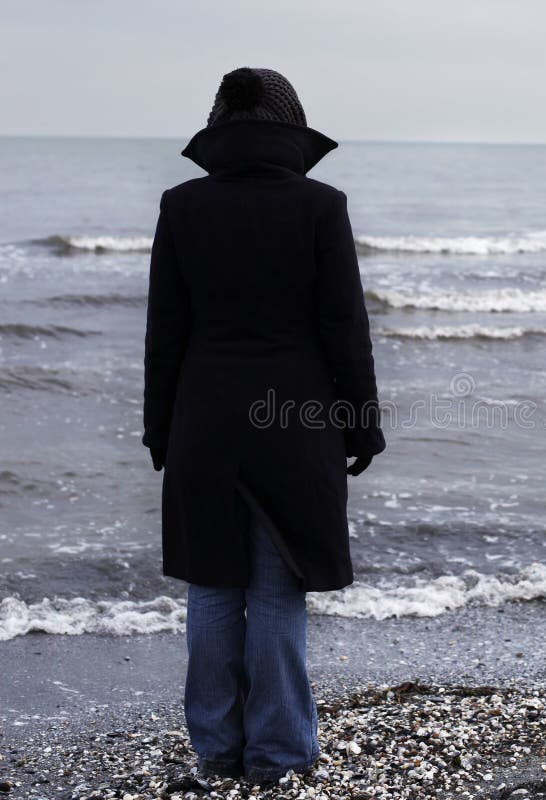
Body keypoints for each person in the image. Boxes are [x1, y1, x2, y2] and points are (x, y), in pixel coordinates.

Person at [141, 66, 385, 786]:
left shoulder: (181, 207)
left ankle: (217, 750)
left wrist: (159, 430)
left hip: (203, 421)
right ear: (292, 129)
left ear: (217, 128)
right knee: (278, 589)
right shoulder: (321, 206)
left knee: (213, 588)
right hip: (294, 420)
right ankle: (278, 756)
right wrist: (360, 424)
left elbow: (166, 334)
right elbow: (345, 329)